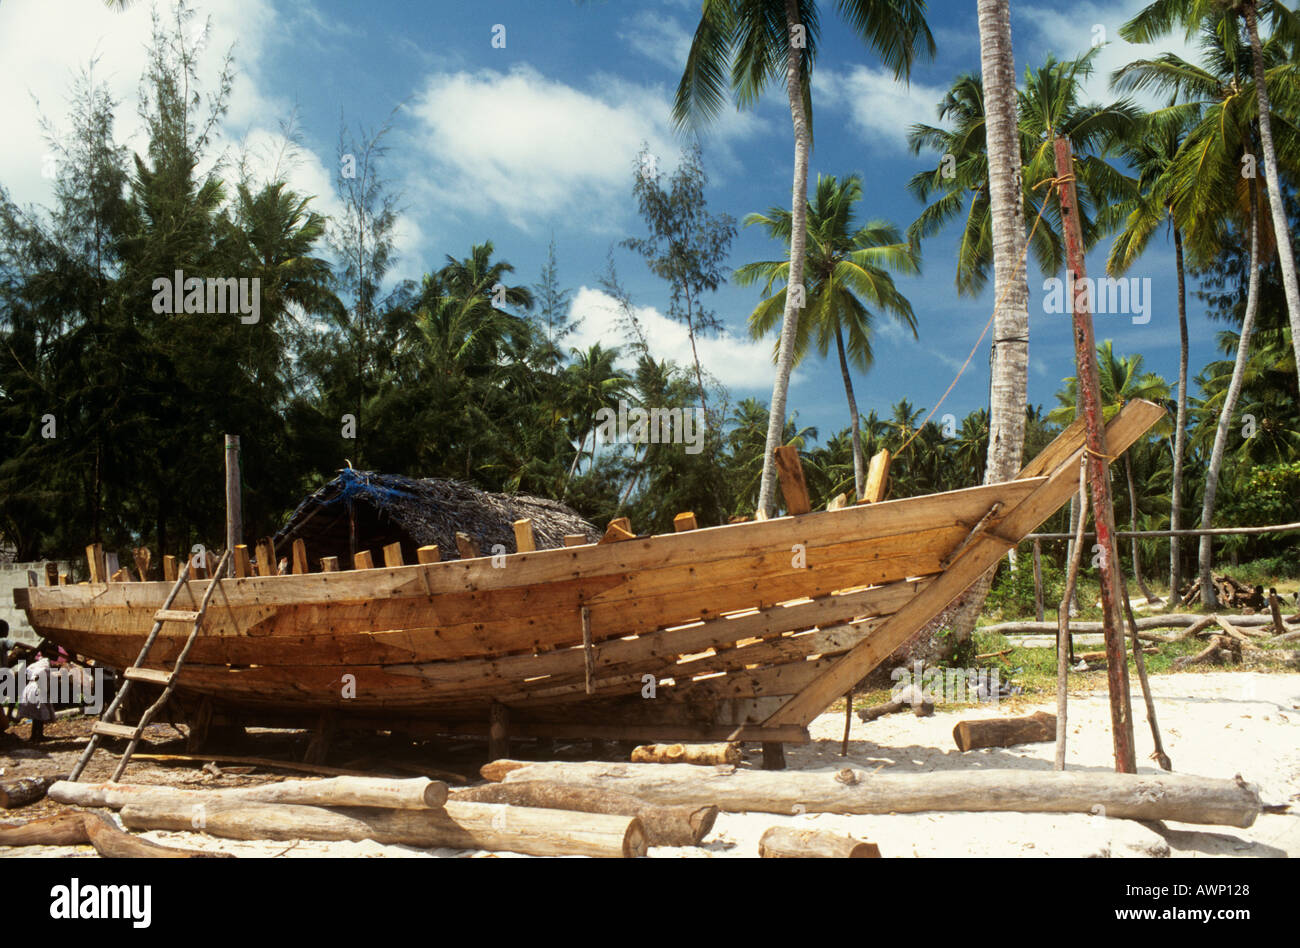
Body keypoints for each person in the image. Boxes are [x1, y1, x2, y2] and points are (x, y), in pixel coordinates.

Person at [18, 646, 55, 742]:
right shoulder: (45, 664)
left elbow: (29, 671)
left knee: (37, 714)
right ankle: (37, 735)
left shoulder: (38, 663)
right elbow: (41, 674)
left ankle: (36, 735)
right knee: (39, 713)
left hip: (31, 687)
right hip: (37, 688)